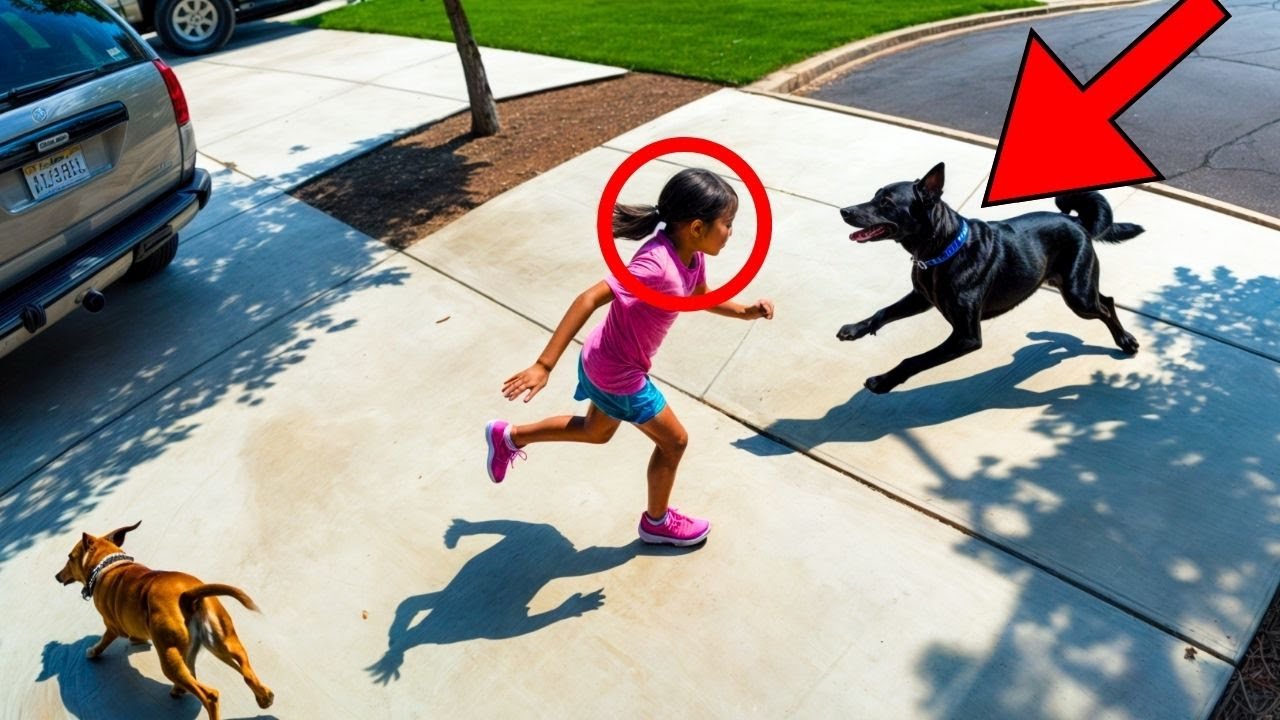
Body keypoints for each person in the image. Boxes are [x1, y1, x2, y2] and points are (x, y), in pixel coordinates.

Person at [485, 167, 774, 546]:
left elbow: (700, 293)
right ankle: (657, 523)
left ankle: (509, 436)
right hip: (618, 373)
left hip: (604, 358)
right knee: (675, 442)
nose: (732, 232)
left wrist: (744, 311)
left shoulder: (691, 254)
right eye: (728, 223)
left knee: (595, 432)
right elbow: (589, 298)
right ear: (698, 228)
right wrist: (544, 364)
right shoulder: (655, 265)